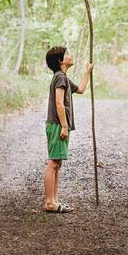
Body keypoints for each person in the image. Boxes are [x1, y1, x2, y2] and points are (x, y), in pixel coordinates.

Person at [43, 44, 92, 213]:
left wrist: (87, 71)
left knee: (57, 162)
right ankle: (49, 202)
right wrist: (64, 125)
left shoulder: (63, 77)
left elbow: (81, 90)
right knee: (53, 163)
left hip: (60, 125)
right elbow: (58, 102)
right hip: (57, 124)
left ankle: (54, 200)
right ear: (60, 60)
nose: (71, 55)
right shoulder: (60, 78)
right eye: (68, 54)